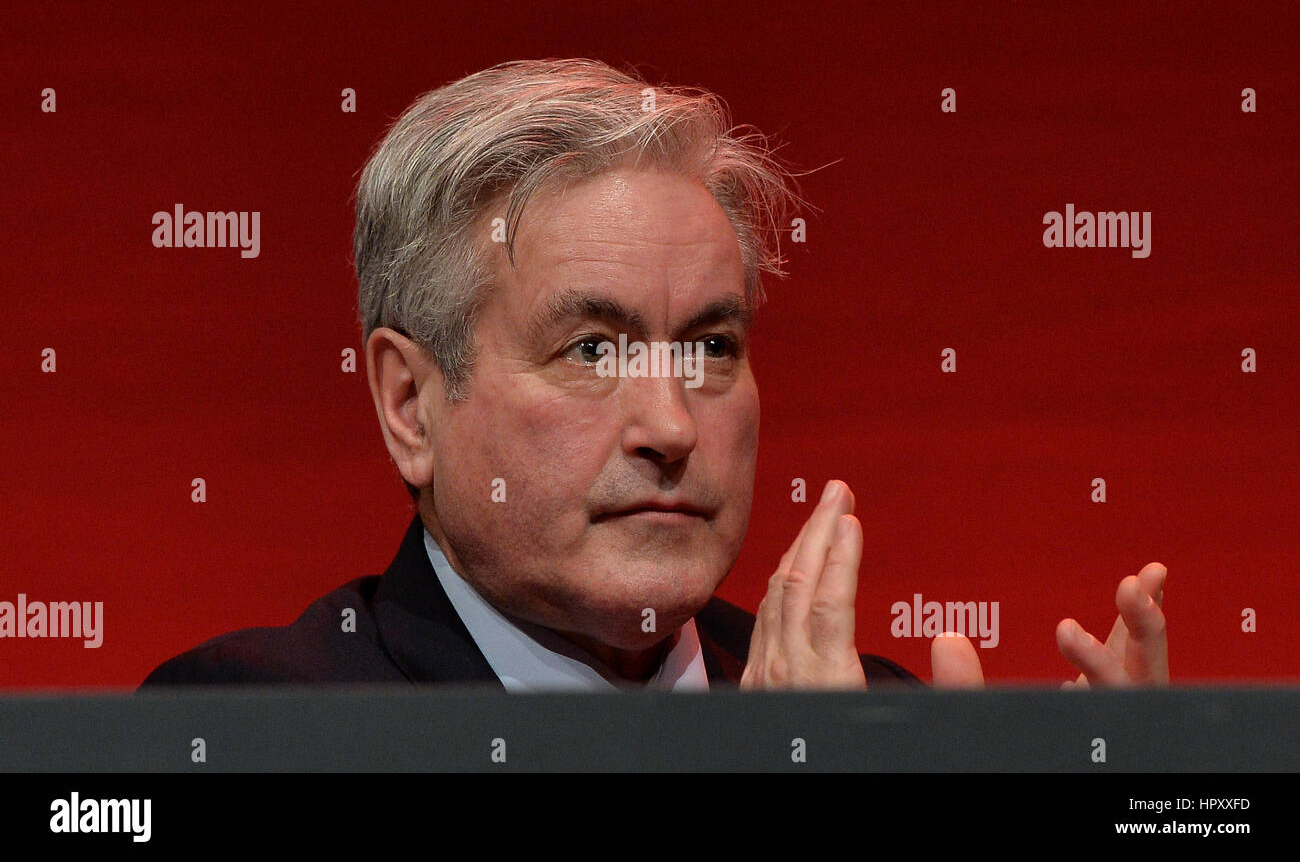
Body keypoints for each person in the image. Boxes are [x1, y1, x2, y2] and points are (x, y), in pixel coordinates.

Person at [142, 58, 1169, 692]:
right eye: (592, 350)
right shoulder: (251, 724)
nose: (672, 428)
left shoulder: (870, 718)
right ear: (411, 405)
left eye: (711, 347)